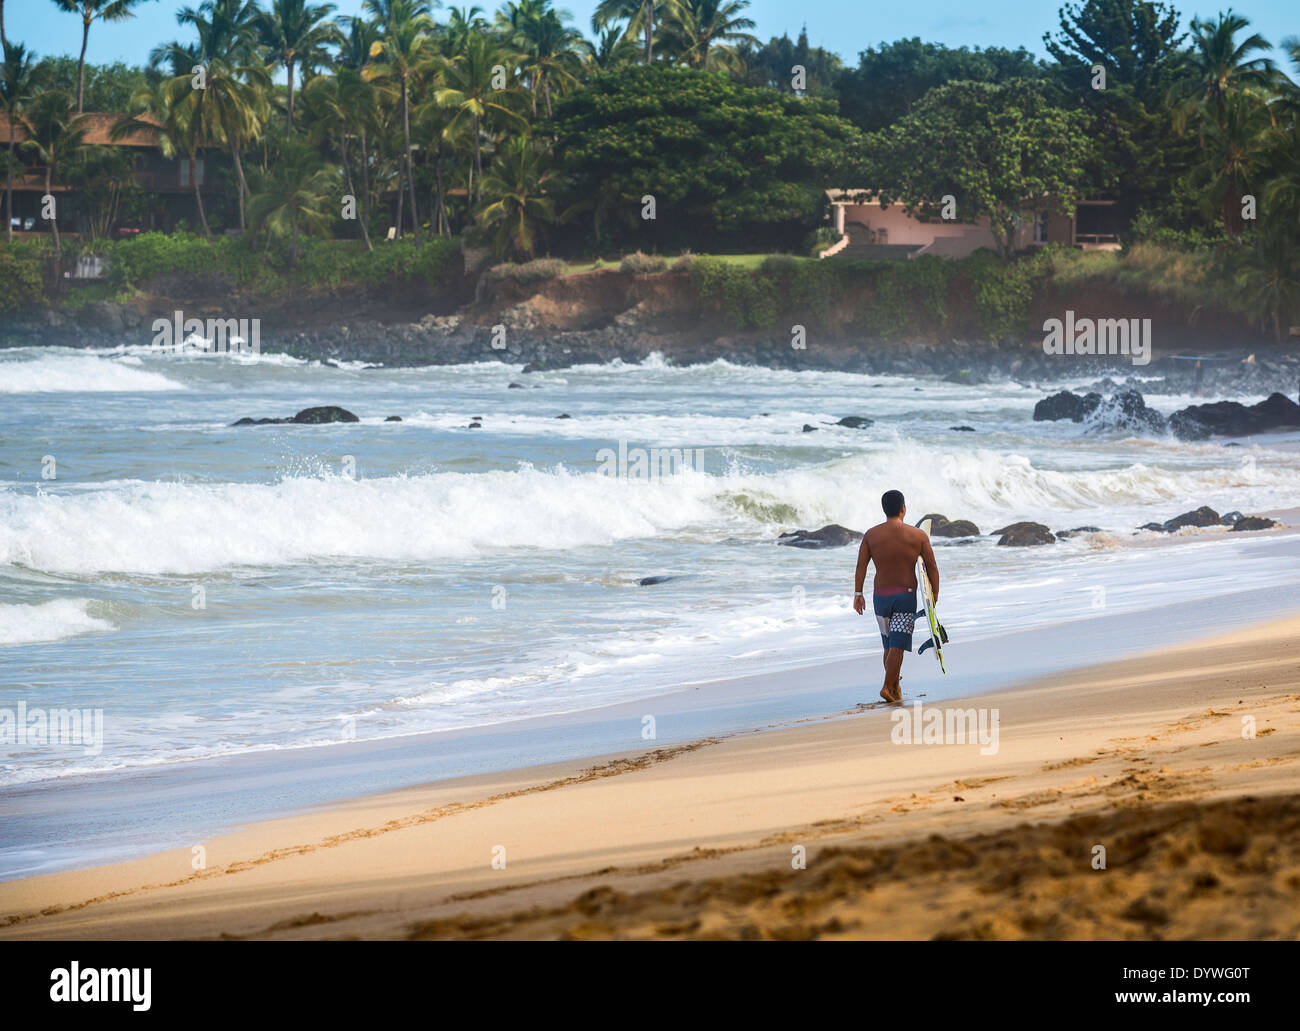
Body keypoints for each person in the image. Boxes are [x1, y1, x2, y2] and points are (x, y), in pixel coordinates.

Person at [852, 490, 939, 703]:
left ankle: (895, 688)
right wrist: (933, 596)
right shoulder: (917, 536)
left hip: (880, 598)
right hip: (904, 597)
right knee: (897, 646)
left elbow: (861, 566)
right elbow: (932, 567)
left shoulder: (871, 535)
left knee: (889, 645)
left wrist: (858, 593)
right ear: (903, 509)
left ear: (884, 510)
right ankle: (886, 687)